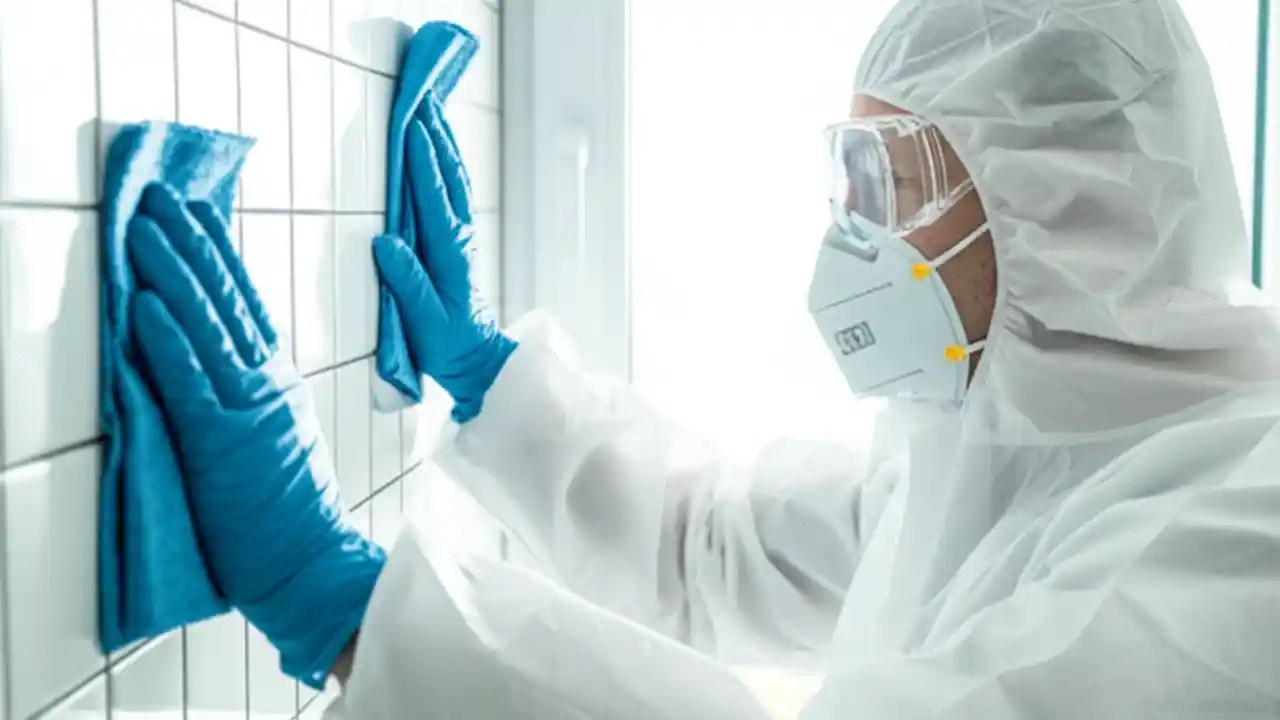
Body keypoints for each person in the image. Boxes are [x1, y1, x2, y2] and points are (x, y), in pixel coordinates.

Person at [130, 0, 1280, 717]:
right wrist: (495, 381)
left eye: (887, 180)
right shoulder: (996, 457)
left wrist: (354, 613)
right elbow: (715, 553)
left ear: (1066, 206)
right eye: (847, 176)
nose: (850, 230)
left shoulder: (1232, 543)